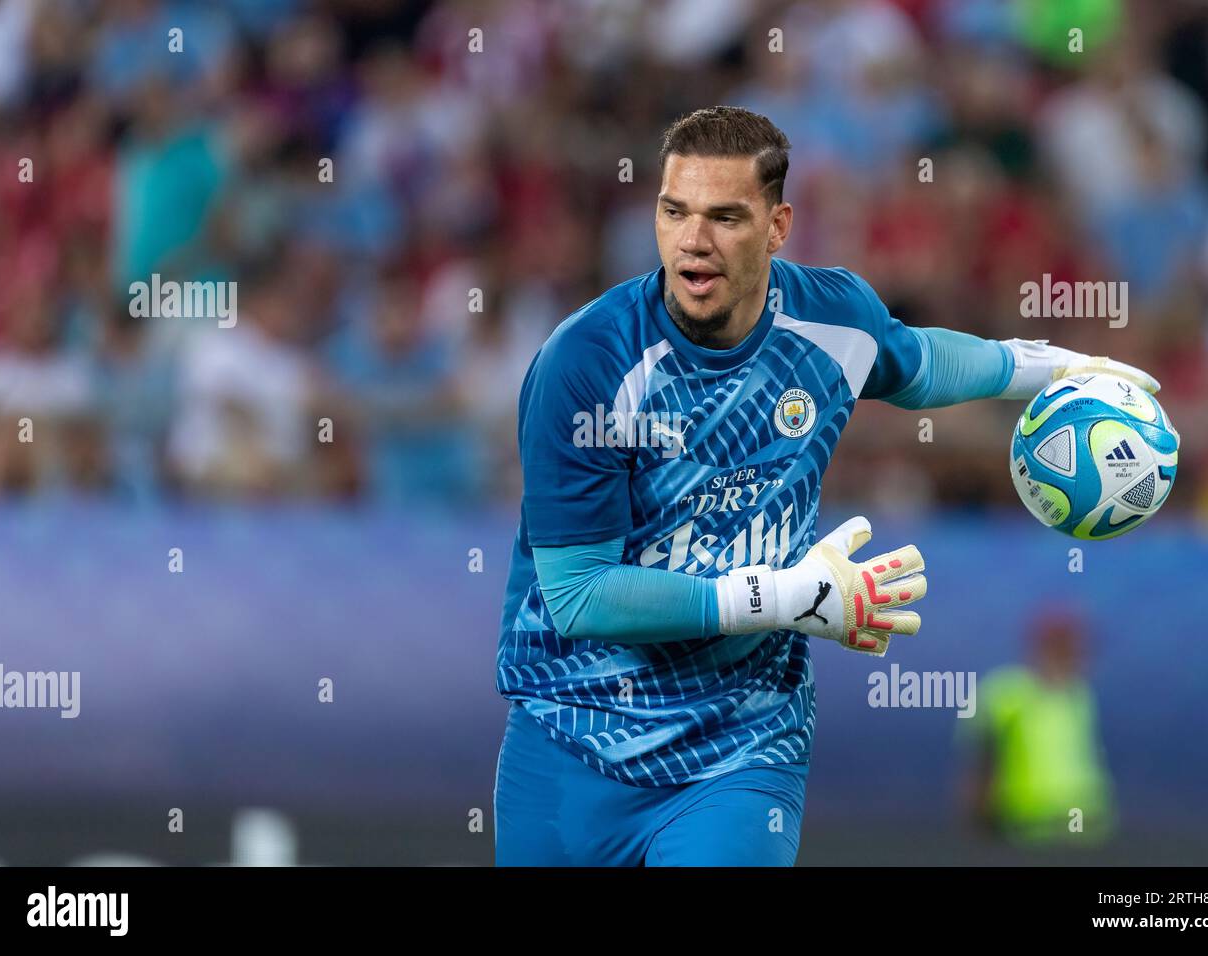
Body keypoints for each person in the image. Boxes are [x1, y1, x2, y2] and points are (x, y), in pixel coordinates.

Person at [492, 106, 1156, 866]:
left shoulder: (831, 317)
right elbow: (579, 595)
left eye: (724, 217)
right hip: (572, 734)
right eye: (674, 212)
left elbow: (918, 364)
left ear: (777, 227)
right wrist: (782, 599)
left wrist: (1044, 367)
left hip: (740, 745)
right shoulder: (588, 362)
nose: (693, 241)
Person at [961, 607, 1117, 847]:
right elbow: (983, 760)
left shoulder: (1081, 695)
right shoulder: (1005, 694)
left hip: (1086, 829)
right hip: (1027, 827)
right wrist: (981, 818)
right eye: (1066, 648)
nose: (1076, 657)